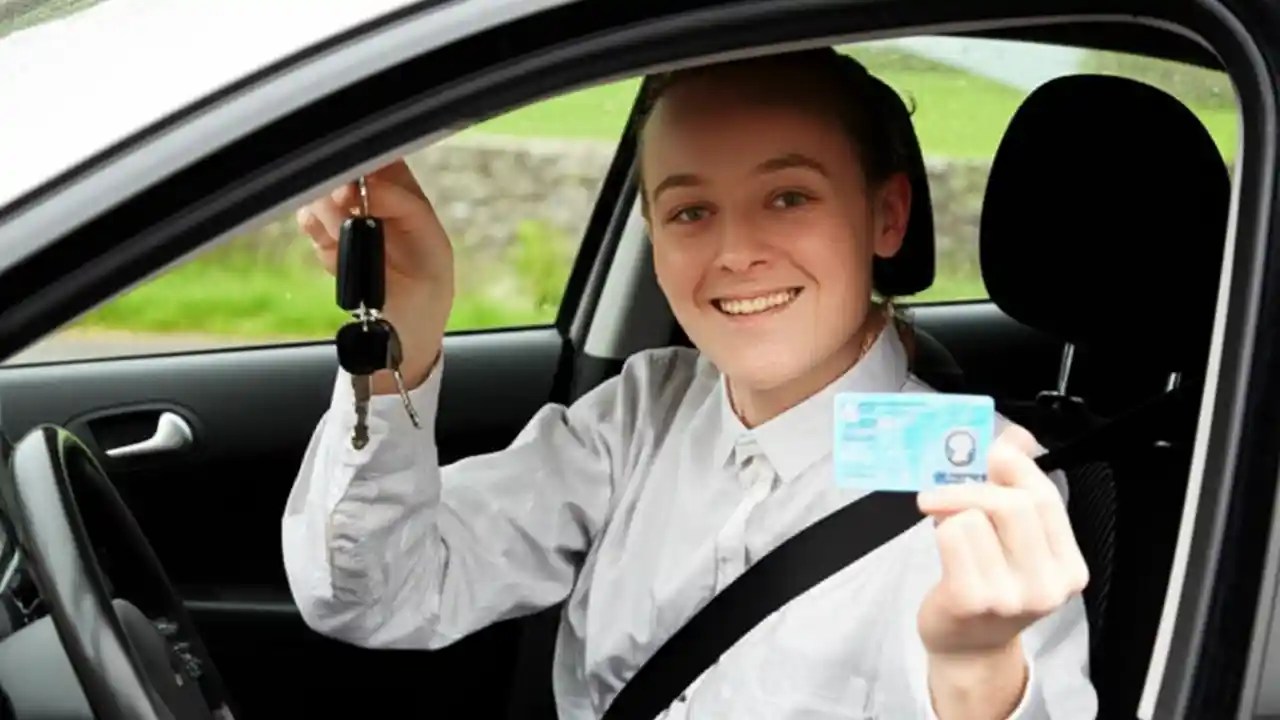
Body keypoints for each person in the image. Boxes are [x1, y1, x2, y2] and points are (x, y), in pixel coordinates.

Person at [282, 47, 1097, 719]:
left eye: (789, 197)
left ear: (886, 217)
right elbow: (374, 595)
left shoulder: (975, 467)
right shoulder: (640, 416)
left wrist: (977, 671)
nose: (736, 253)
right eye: (690, 212)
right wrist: (406, 328)